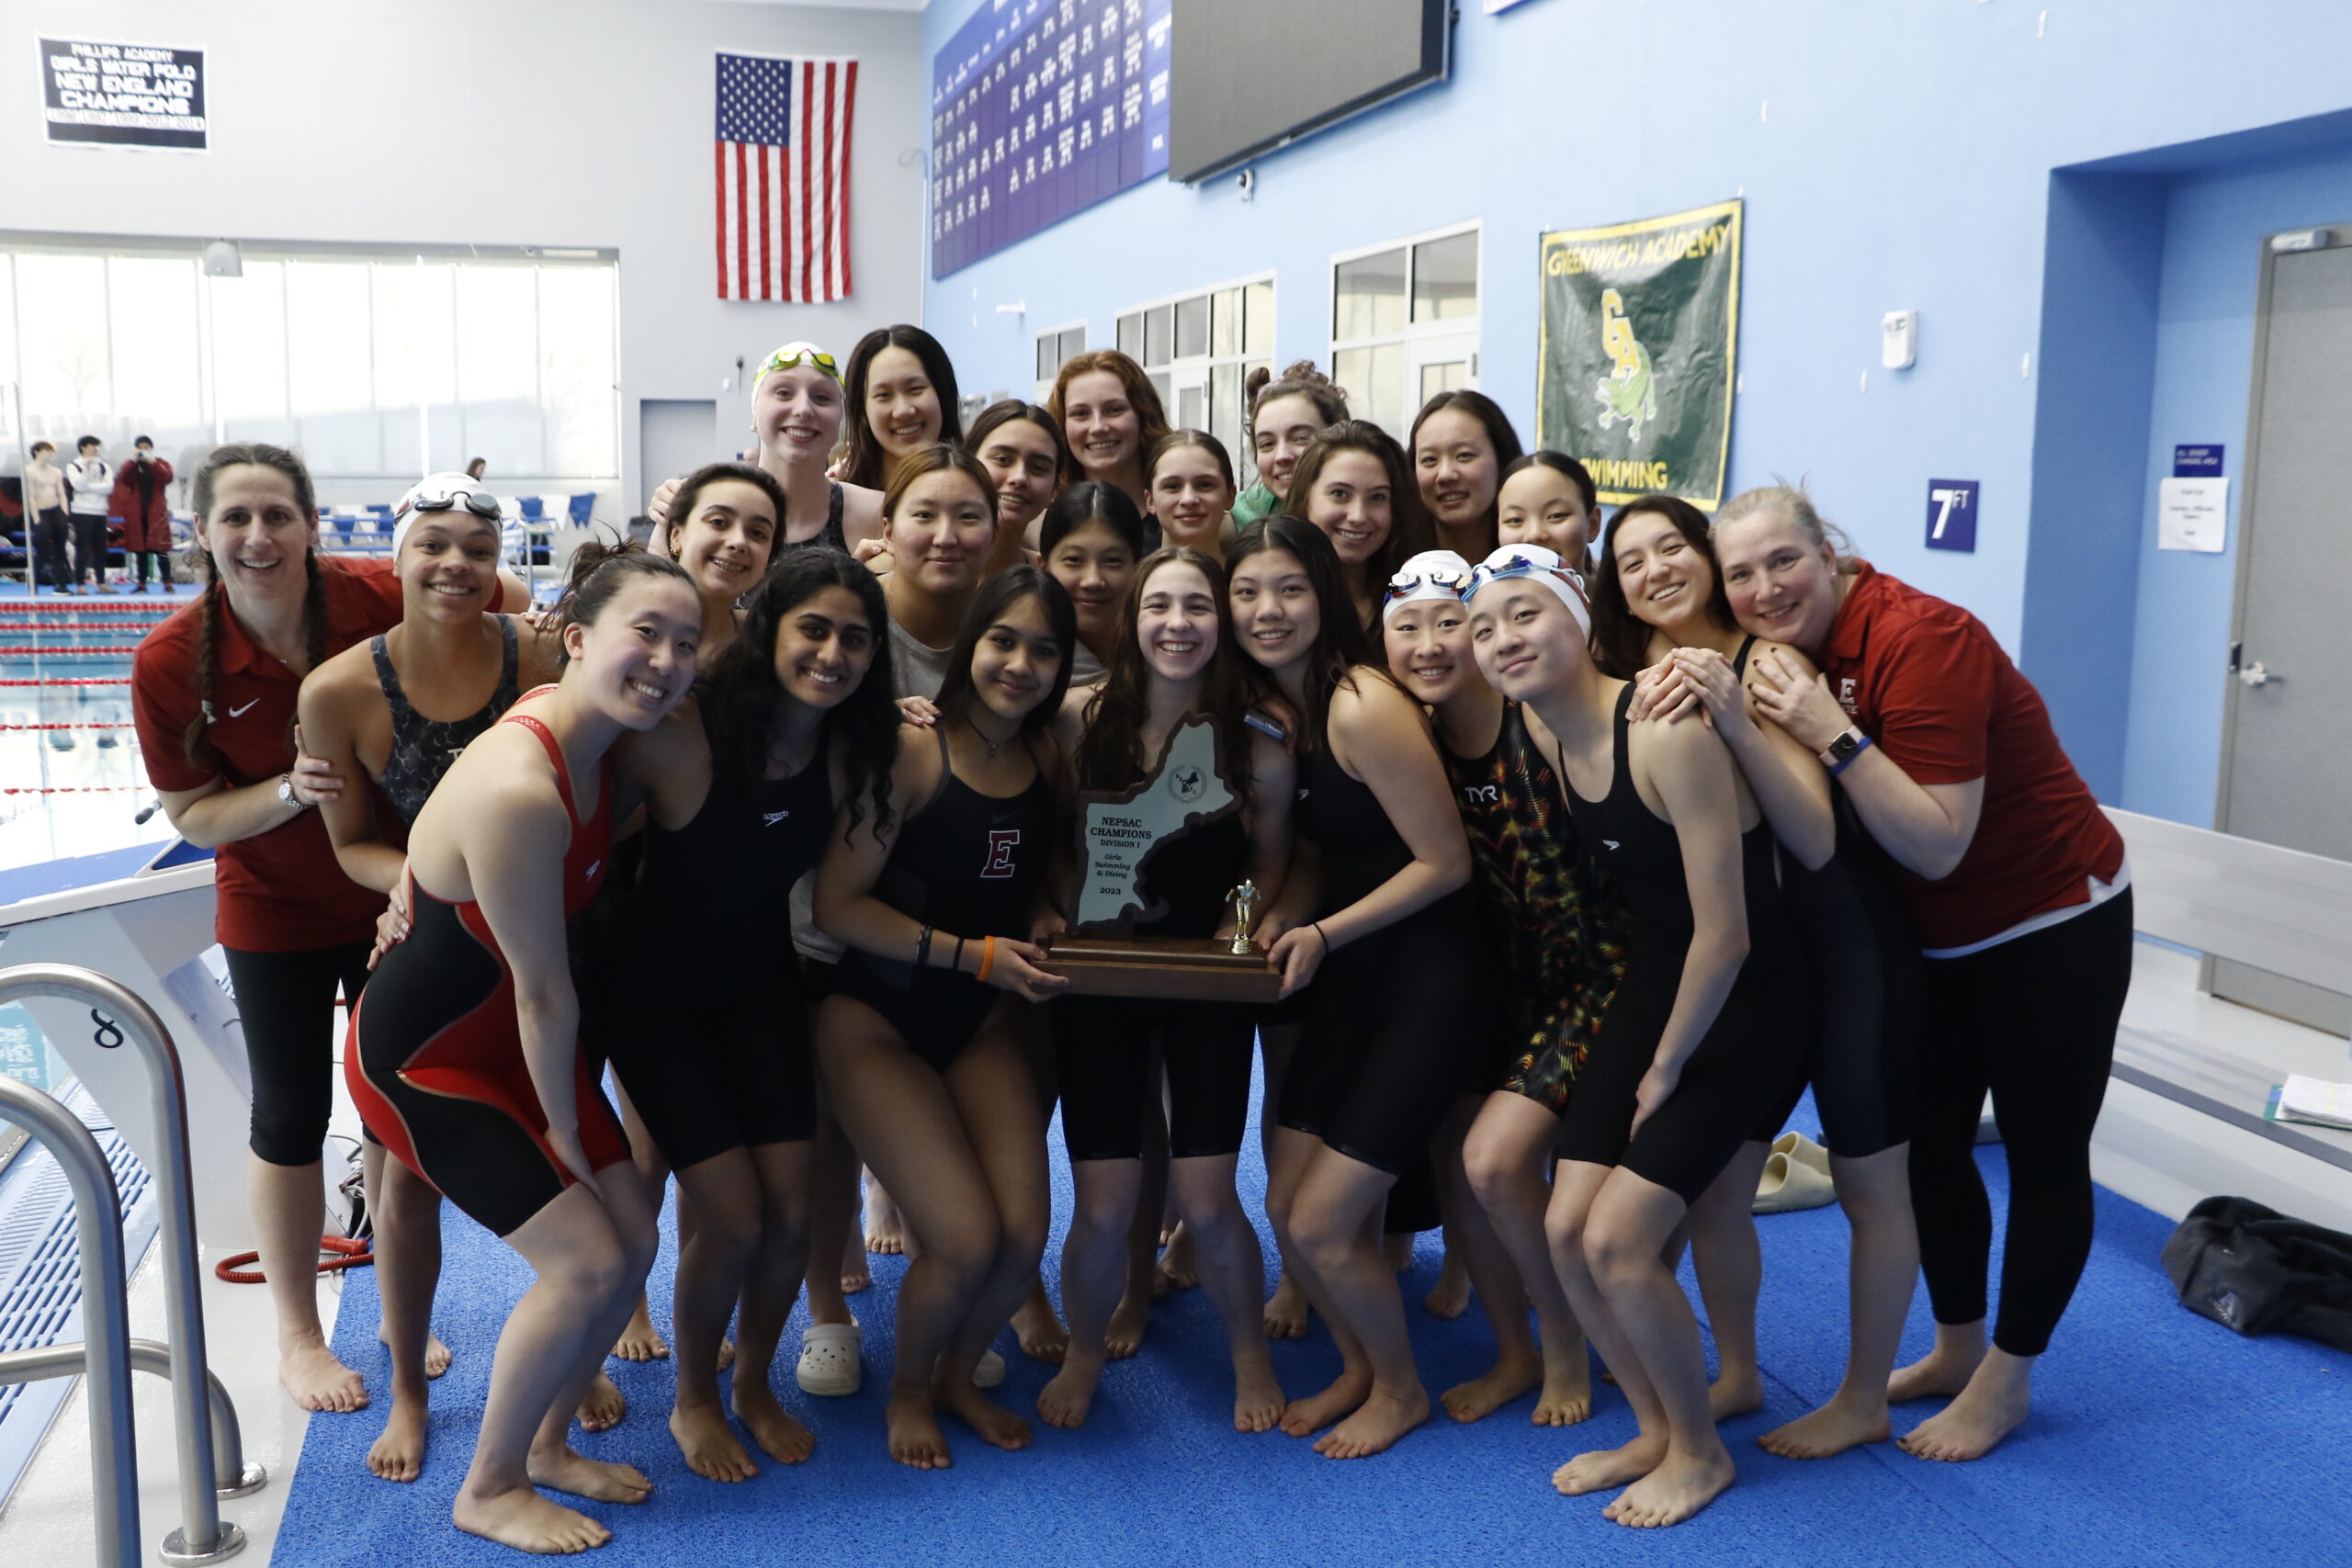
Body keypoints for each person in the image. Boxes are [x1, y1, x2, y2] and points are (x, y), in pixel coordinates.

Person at [1704, 484, 2132, 1463]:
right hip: (1936, 941)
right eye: (1741, 574)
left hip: (2051, 919)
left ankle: (2007, 1380)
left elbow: (1938, 845)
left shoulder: (1923, 638)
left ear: (1831, 553)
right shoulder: (1784, 651)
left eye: (1784, 562)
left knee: (2040, 1154)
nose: (1765, 589)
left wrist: (1829, 729)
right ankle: (1955, 1347)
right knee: (1929, 1150)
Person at [348, 542, 697, 1551]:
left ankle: (546, 1447)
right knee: (591, 1258)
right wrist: (565, 1133)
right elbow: (543, 994)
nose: (666, 660)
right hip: (426, 1062)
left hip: (515, 1045)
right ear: (578, 638)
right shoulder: (522, 787)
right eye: (646, 634)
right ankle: (489, 1485)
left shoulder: (601, 750)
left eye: (685, 643)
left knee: (634, 1233)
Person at [1464, 543, 1807, 1528]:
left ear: (1579, 616)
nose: (1503, 640)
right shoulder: (1540, 733)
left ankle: (1699, 1455)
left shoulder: (1664, 733)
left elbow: (1730, 933)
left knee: (1617, 1240)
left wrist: (1663, 1066)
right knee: (1564, 1230)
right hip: (1657, 985)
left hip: (1748, 1001)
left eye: (1525, 614)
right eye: (1484, 627)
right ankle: (1660, 1425)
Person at [128, 445, 462, 1416]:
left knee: (402, 1106)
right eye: (235, 518)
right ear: (201, 533)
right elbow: (193, 816)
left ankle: (404, 1309)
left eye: (278, 516)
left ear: (313, 526)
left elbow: (494, 599)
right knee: (289, 1117)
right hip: (272, 905)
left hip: (390, 893)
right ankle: (298, 1336)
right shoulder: (167, 663)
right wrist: (285, 794)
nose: (258, 537)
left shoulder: (373, 599)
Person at [1601, 491, 1923, 1459]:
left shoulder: (1763, 661)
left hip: (1843, 950)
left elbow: (1817, 838)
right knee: (1714, 1195)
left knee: (1872, 1187)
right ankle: (1738, 1372)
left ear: (1705, 557)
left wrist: (1735, 715)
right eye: (1631, 561)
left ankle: (1862, 1396)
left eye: (1673, 548)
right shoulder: (1633, 673)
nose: (1656, 569)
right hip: (1749, 969)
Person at [603, 549, 899, 1482]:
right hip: (655, 1005)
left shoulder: (853, 746)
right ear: (766, 625)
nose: (832, 652)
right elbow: (567, 827)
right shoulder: (676, 732)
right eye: (812, 628)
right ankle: (695, 1396)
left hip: (760, 989)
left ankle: (752, 1384)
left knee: (793, 1210)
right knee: (729, 1219)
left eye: (855, 638)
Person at [299, 472, 558, 1481]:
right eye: (433, 545)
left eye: (477, 550)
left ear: (500, 568)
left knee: (554, 1150)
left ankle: (566, 1363)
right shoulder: (340, 692)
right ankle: (409, 1387)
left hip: (535, 946)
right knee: (404, 1182)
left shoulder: (536, 655)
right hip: (422, 950)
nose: (455, 565)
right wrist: (423, 878)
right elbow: (350, 846)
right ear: (396, 559)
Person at [1227, 515, 1487, 1460]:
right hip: (1349, 981)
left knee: (1327, 1224)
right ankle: (1357, 1365)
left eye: (1289, 590)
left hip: (1427, 984)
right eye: (1247, 592)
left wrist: (1320, 931)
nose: (1267, 611)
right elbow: (1295, 854)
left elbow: (1444, 862)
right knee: (1290, 1216)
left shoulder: (1358, 703)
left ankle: (1401, 1389)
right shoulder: (1274, 710)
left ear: (1328, 599)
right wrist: (1261, 912)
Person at [811, 566, 1076, 1469]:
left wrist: (1040, 906)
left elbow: (1019, 866)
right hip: (873, 1018)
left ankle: (959, 1372)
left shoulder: (1045, 756)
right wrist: (976, 955)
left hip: (980, 1019)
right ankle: (912, 1388)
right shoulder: (915, 751)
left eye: (1045, 650)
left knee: (1021, 1238)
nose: (1020, 664)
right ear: (968, 648)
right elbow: (840, 905)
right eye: (1003, 641)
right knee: (962, 1240)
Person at [1038, 546, 1295, 1434]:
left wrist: (1241, 926)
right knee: (1105, 1207)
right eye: (1159, 606)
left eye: (1197, 606)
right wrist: (1049, 909)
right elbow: (1054, 847)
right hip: (1098, 982)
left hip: (1203, 987)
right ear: (1131, 619)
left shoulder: (1258, 737)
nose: (1177, 623)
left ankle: (1247, 1352)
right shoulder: (1076, 719)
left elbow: (1264, 865)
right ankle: (1082, 1349)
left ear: (1222, 622)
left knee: (1212, 1196)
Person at [1383, 547, 1616, 1430]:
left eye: (1457, 624)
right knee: (1460, 1158)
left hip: (1595, 983)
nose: (1436, 646)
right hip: (1497, 986)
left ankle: (1566, 1348)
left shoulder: (1543, 722)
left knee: (1493, 1159)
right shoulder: (1424, 739)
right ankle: (1519, 1350)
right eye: (1412, 628)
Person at [794, 444, 1006, 1392]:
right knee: (823, 1126)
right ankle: (827, 1310)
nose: (947, 536)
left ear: (997, 535)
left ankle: (949, 1284)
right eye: (926, 515)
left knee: (943, 1111)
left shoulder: (1010, 629)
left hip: (948, 911)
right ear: (887, 528)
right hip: (823, 906)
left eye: (970, 517)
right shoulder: (849, 617)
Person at [649, 343, 886, 560]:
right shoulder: (696, 507)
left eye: (822, 398)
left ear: (840, 423)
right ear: (754, 416)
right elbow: (651, 597)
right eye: (783, 393)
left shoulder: (876, 513)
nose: (803, 409)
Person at [1284, 422, 1433, 630]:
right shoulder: (1276, 602)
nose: (1358, 516)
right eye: (1339, 494)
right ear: (1305, 497)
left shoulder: (1422, 596)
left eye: (1377, 497)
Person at [660, 462, 786, 660]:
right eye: (718, 522)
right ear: (676, 536)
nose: (739, 542)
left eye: (757, 533)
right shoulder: (626, 620)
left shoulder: (770, 648)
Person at [1039, 482, 1145, 689]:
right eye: (1074, 560)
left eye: (1113, 560)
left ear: (1139, 568)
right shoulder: (1023, 663)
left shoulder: (1163, 652)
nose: (1093, 581)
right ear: (1043, 567)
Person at [840, 325, 964, 492]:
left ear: (943, 395)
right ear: (862, 412)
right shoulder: (838, 504)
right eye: (884, 395)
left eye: (915, 389)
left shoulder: (978, 492)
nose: (904, 411)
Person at [1048, 350, 1170, 519]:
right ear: (1062, 425)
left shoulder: (1183, 515)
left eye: (1114, 410)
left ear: (1143, 414)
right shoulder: (1043, 526)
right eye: (1081, 413)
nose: (1098, 427)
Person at [1409, 391, 1524, 560]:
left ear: (1501, 459)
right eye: (1430, 459)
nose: (1445, 474)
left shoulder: (1534, 560)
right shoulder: (1394, 571)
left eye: (1464, 455)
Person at [1235, 363, 1349, 528]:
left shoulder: (1375, 511)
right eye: (1267, 444)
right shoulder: (1244, 513)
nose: (1282, 456)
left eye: (1300, 438)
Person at [963, 399, 1069, 565]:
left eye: (1038, 468)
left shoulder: (1055, 581)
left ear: (1054, 487)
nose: (1019, 477)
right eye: (1002, 459)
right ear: (968, 462)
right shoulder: (925, 571)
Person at [1145, 430, 1239, 561]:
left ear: (1230, 496)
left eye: (1205, 485)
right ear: (1150, 500)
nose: (1188, 499)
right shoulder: (1129, 581)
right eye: (1173, 486)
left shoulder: (1252, 580)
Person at [1497, 451, 1600, 568]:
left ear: (1593, 525)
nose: (1534, 534)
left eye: (1556, 516)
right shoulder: (1479, 585)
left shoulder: (1619, 584)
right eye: (1515, 520)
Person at [111, 435, 176, 592]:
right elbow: (123, 479)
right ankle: (141, 583)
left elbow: (167, 477)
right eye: (140, 447)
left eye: (146, 447)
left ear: (151, 448)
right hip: (137, 512)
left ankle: (167, 582)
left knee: (161, 549)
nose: (143, 450)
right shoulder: (132, 465)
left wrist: (152, 462)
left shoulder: (160, 463)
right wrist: (133, 461)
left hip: (156, 512)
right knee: (140, 549)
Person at [66, 434, 116, 592]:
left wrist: (90, 487)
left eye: (97, 445)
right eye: (93, 445)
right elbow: (79, 486)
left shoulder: (104, 467)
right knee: (82, 548)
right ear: (83, 447)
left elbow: (109, 488)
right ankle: (80, 583)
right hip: (81, 511)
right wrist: (86, 471)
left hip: (100, 511)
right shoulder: (74, 465)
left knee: (100, 548)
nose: (96, 449)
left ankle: (101, 582)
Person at [24, 441, 71, 593]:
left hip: (56, 510)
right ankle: (33, 580)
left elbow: (61, 494)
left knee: (60, 549)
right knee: (43, 550)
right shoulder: (29, 471)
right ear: (37, 452)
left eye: (52, 451)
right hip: (41, 511)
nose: (50, 454)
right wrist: (36, 517)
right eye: (47, 451)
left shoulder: (56, 471)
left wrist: (64, 512)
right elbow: (30, 496)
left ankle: (61, 583)